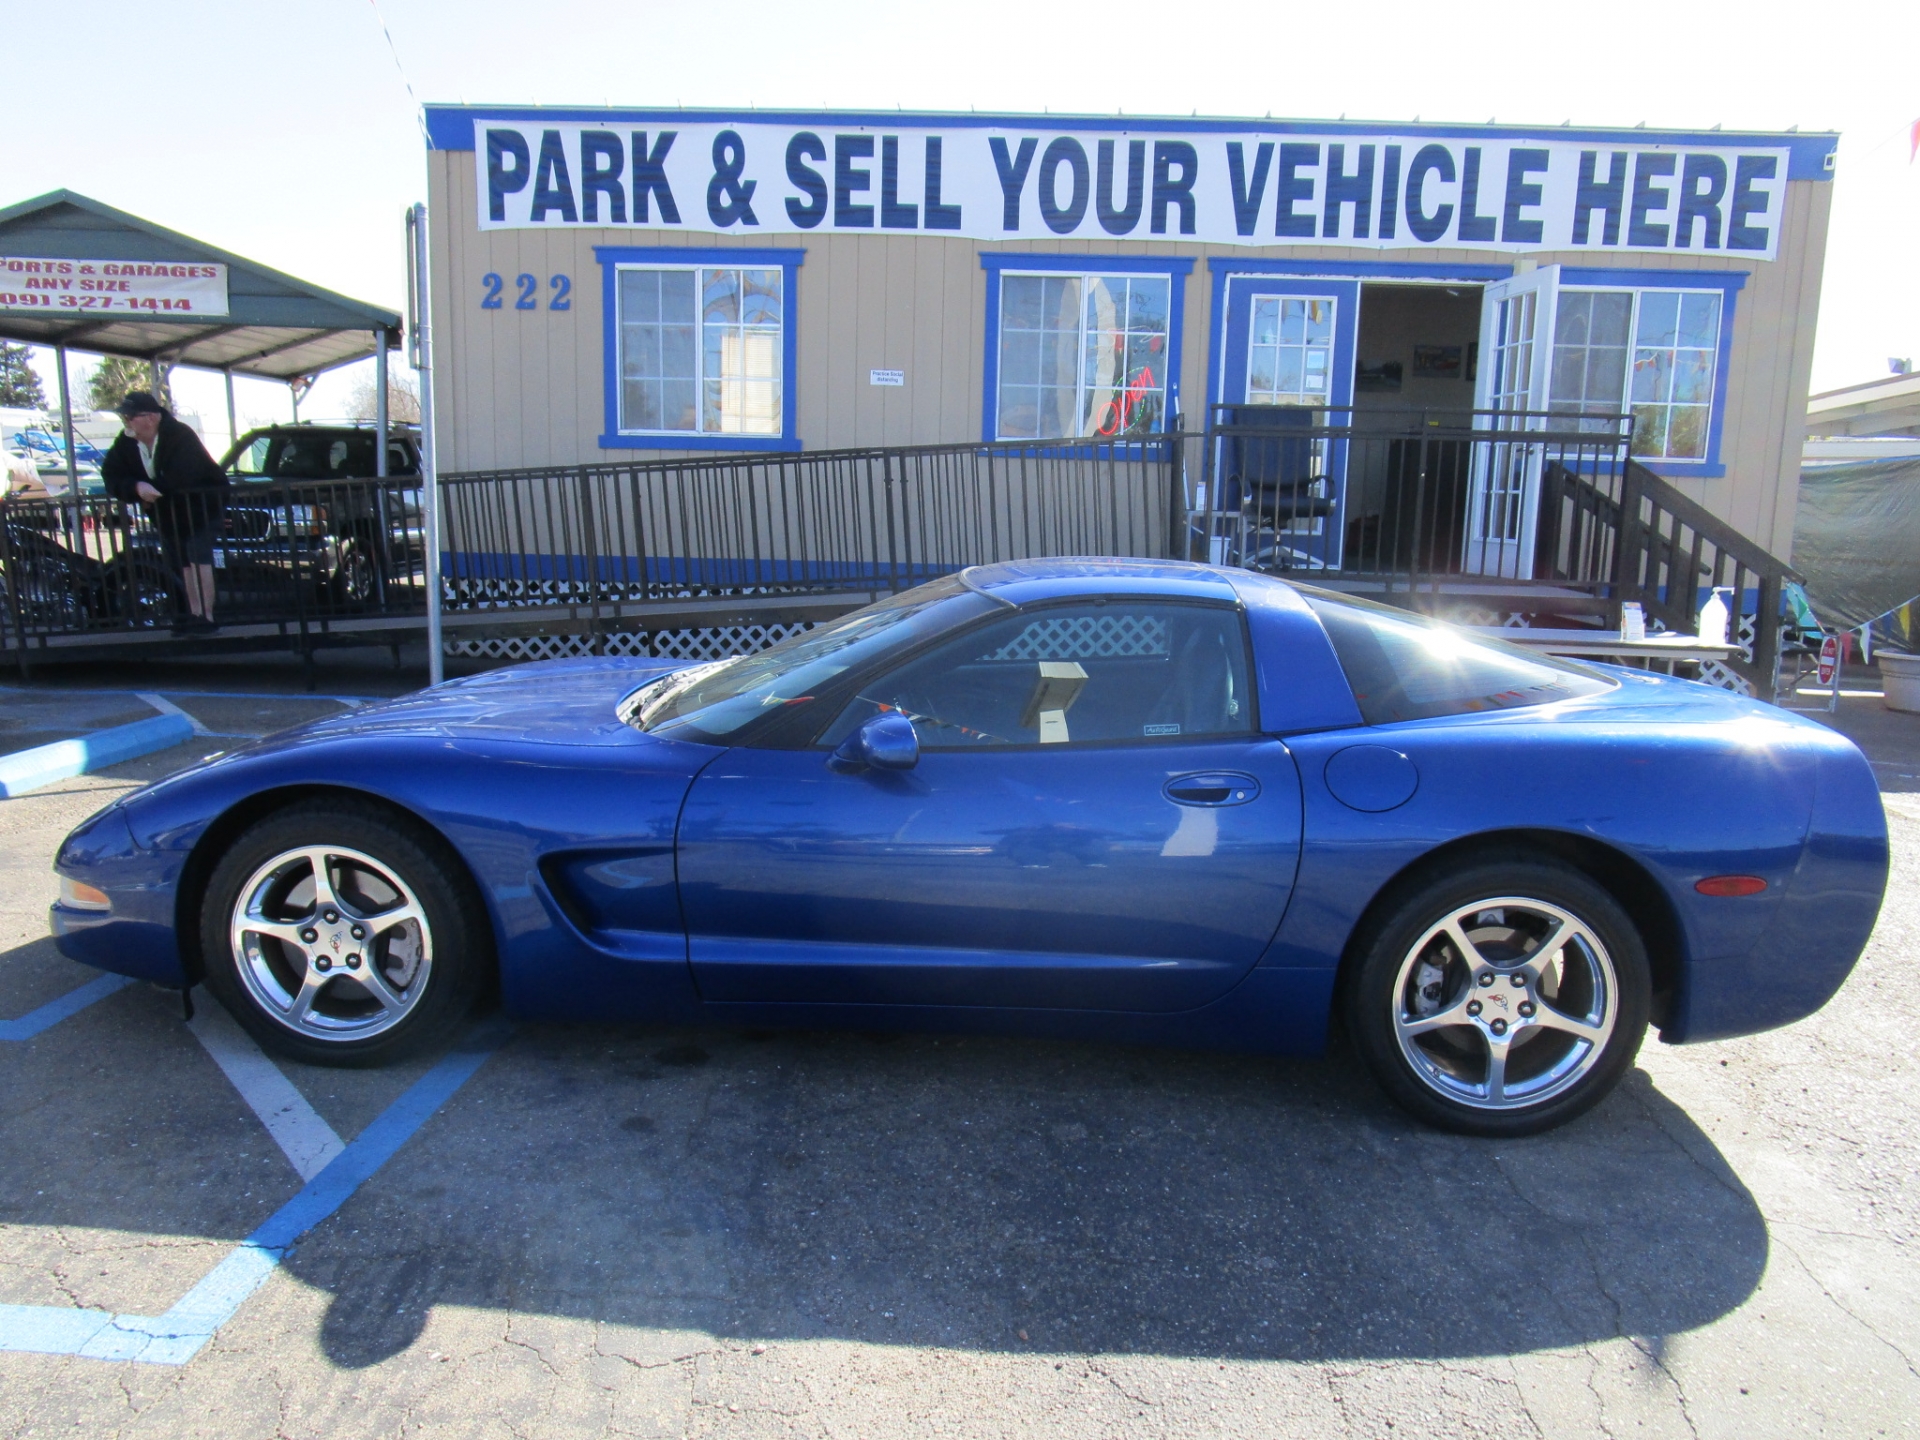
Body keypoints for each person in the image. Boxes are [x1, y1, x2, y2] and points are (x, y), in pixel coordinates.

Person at [101, 391, 228, 633]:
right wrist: (136, 487)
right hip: (166, 515)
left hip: (201, 508)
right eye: (124, 417)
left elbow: (184, 474)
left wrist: (154, 489)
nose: (126, 422)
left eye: (130, 417)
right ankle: (193, 614)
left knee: (198, 557)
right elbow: (110, 473)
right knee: (181, 562)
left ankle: (207, 616)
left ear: (151, 417)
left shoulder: (179, 435)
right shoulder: (126, 441)